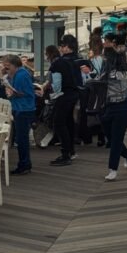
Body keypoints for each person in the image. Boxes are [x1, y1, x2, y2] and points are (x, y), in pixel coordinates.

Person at [100, 48, 127, 181]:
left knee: (113, 139)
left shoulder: (104, 75)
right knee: (114, 139)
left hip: (110, 108)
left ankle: (113, 169)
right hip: (123, 109)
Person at [48, 35, 83, 167]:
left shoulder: (59, 62)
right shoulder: (77, 60)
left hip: (64, 95)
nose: (60, 48)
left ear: (67, 47)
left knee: (58, 123)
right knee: (69, 122)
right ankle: (71, 150)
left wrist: (53, 95)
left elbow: (56, 84)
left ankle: (66, 153)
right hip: (75, 94)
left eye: (62, 46)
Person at [2, 54, 36, 175]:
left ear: (15, 66)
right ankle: (24, 163)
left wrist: (13, 93)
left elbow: (22, 92)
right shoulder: (19, 73)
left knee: (22, 139)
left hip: (23, 109)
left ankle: (24, 164)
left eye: (8, 67)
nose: (6, 69)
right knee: (21, 138)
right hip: (21, 107)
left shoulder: (21, 75)